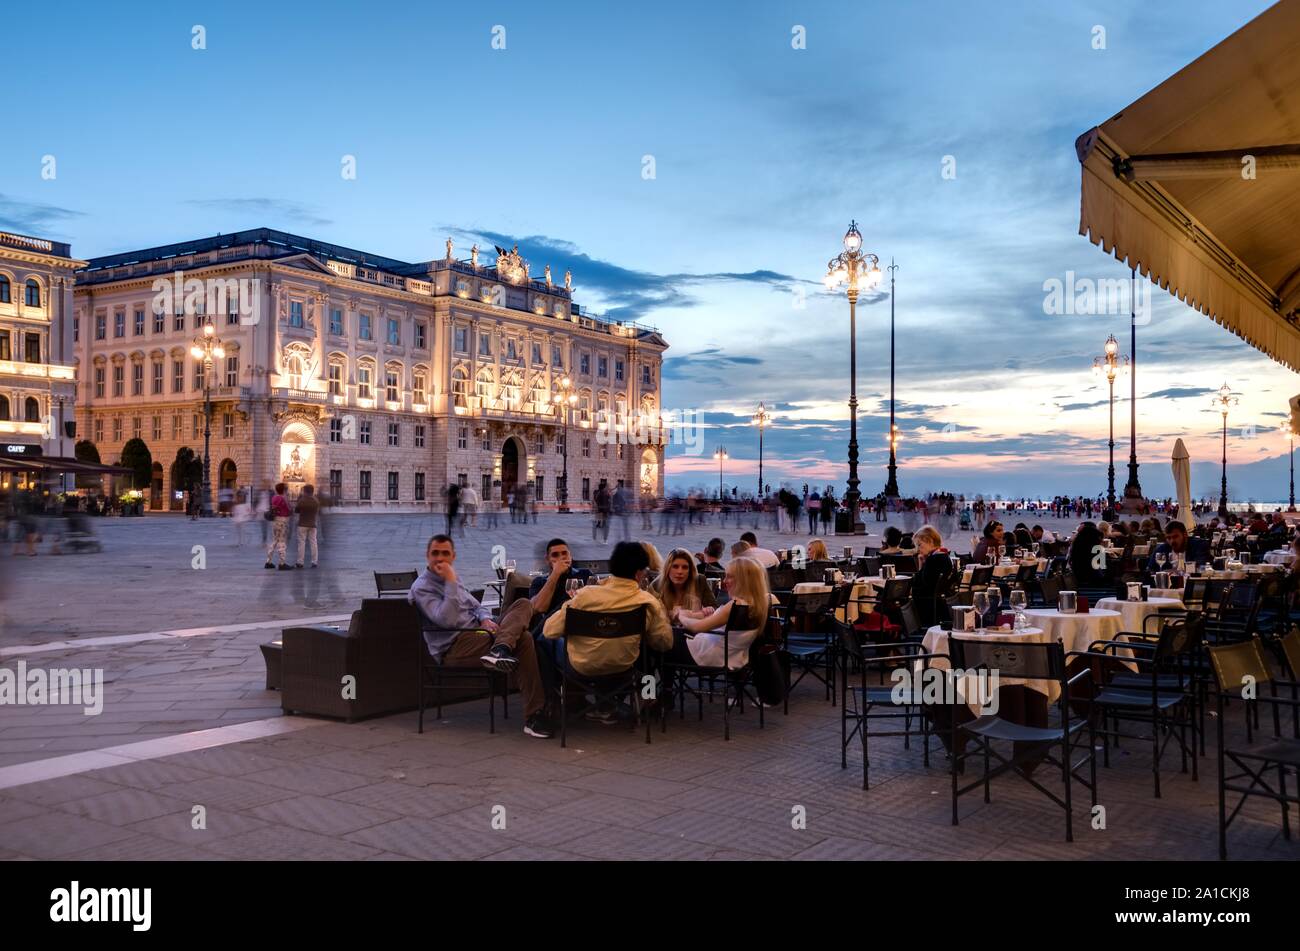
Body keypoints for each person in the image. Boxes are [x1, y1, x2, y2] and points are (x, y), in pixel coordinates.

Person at [409, 533, 554, 738]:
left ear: (453, 556)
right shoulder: (422, 588)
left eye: (445, 553)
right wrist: (450, 581)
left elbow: (477, 607)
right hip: (454, 646)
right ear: (427, 556)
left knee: (523, 604)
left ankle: (501, 649)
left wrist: (486, 619)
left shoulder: (454, 579)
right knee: (524, 639)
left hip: (480, 633)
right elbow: (447, 620)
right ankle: (535, 715)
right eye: (435, 553)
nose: (440, 558)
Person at [542, 541, 675, 722]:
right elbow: (665, 642)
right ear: (639, 573)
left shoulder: (586, 595)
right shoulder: (648, 601)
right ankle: (644, 698)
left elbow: (550, 631)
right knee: (647, 659)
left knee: (543, 640)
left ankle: (553, 703)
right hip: (623, 666)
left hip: (581, 667)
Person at [669, 557, 778, 672]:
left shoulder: (735, 606)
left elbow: (697, 627)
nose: (725, 581)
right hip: (734, 658)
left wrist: (681, 615)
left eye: (729, 576)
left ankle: (664, 687)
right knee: (668, 637)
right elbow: (714, 622)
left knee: (663, 639)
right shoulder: (762, 602)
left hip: (707, 657)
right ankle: (667, 686)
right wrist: (692, 615)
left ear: (744, 580)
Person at [653, 548, 717, 620]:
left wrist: (709, 609)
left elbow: (714, 609)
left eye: (685, 567)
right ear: (667, 568)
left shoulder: (699, 581)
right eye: (675, 566)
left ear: (690, 570)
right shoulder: (657, 584)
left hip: (694, 629)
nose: (680, 572)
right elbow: (651, 615)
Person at [910, 525, 953, 628]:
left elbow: (921, 582)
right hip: (938, 605)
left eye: (919, 545)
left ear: (929, 541)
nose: (918, 549)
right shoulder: (944, 557)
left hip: (925, 605)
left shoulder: (933, 560)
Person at [1067, 521, 1109, 587]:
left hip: (1084, 583)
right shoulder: (1096, 550)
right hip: (1094, 587)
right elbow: (1100, 572)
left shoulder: (1077, 549)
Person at [264, 482, 292, 570]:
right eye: (286, 489)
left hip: (275, 521)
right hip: (283, 521)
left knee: (275, 540)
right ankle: (282, 563)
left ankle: (268, 561)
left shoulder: (274, 497)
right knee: (282, 541)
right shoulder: (283, 498)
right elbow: (289, 509)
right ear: (283, 490)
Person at [294, 484, 320, 568]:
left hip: (302, 524)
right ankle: (314, 561)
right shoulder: (316, 501)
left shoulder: (302, 500)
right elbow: (317, 510)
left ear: (305, 491)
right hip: (312, 524)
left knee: (301, 543)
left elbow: (296, 510)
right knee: (313, 543)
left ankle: (300, 562)